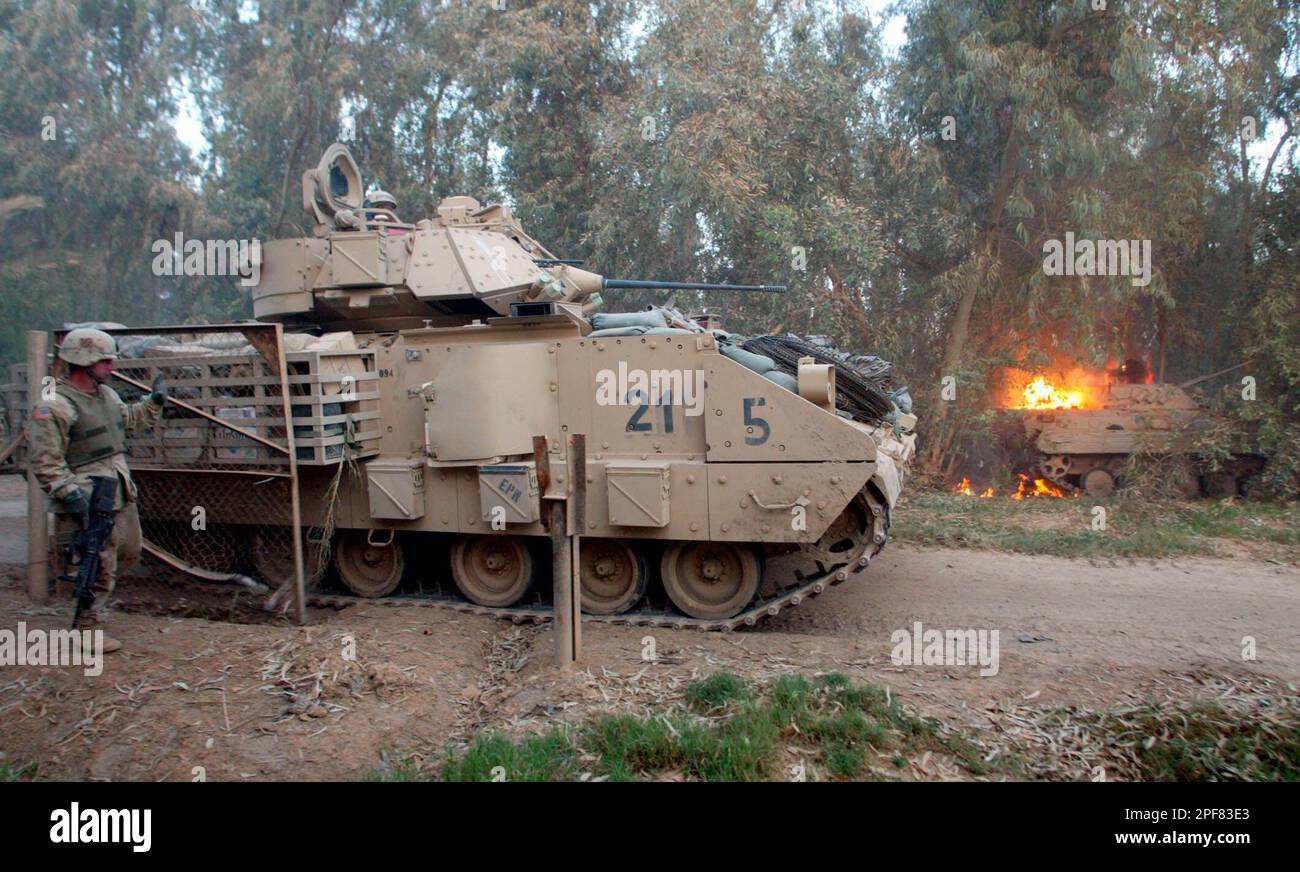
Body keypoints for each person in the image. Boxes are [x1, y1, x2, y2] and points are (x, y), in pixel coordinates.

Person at [27, 328, 167, 653]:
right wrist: (67, 490)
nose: (111, 368)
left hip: (116, 487)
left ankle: (94, 611)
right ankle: (86, 628)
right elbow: (45, 459)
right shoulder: (54, 404)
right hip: (85, 493)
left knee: (129, 549)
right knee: (95, 560)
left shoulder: (106, 395)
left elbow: (128, 421)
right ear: (83, 362)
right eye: (105, 362)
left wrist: (154, 401)